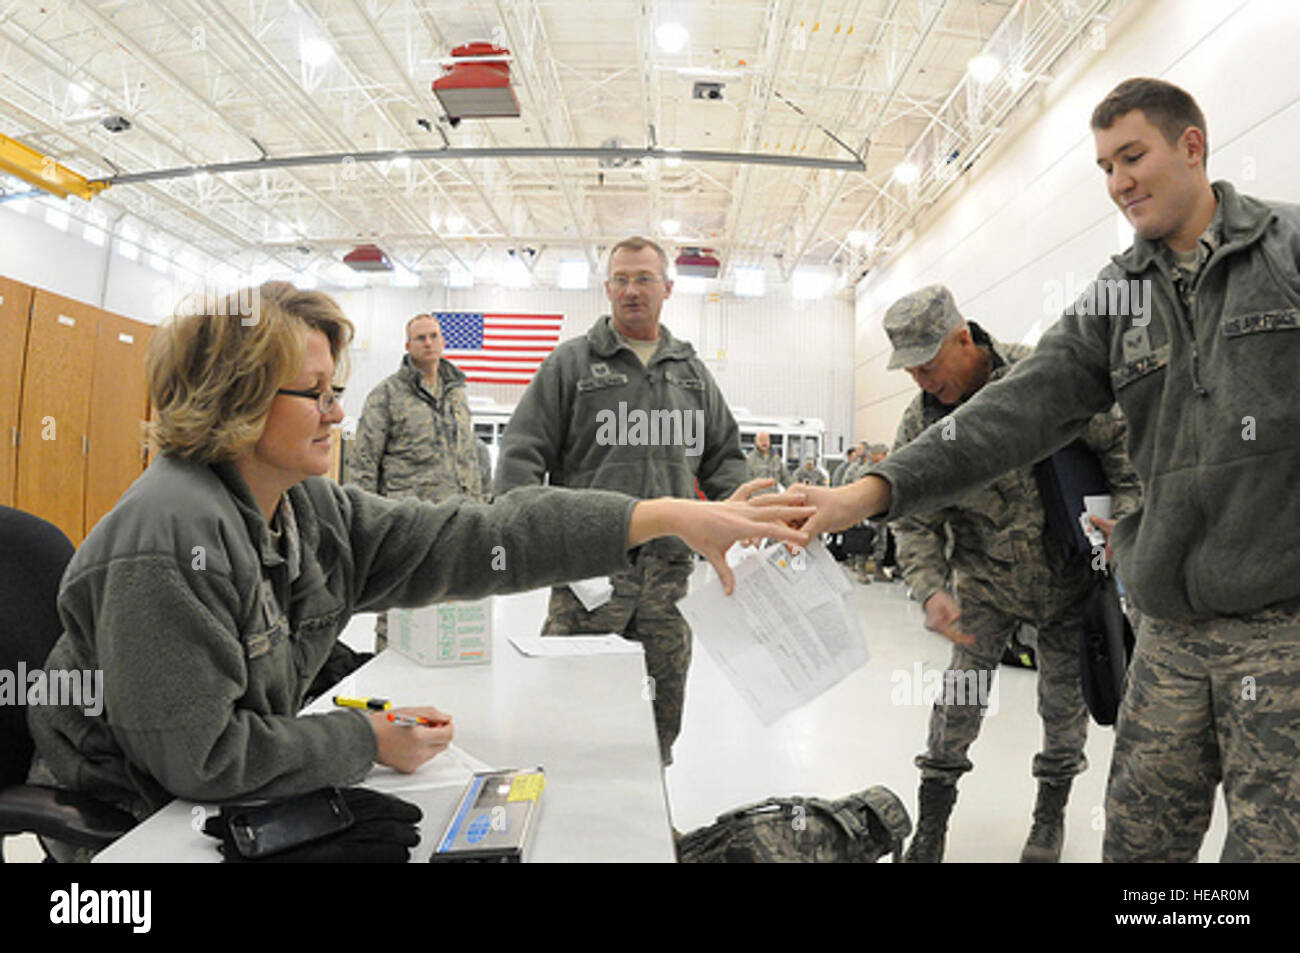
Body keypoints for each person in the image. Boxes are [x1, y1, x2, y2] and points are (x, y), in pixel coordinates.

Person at [26, 282, 813, 860]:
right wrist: (360, 737)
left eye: (337, 390)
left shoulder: (309, 510)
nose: (337, 411)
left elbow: (476, 536)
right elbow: (201, 760)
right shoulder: (168, 538)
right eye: (316, 393)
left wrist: (664, 516)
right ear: (236, 401)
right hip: (138, 826)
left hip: (222, 796)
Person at [800, 77, 1300, 862]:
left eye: (1132, 156)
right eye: (1104, 165)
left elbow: (1112, 454)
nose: (1117, 182)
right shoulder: (1117, 298)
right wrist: (874, 489)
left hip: (1281, 631)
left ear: (1193, 145)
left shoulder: (1287, 250)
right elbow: (1014, 412)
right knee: (1137, 853)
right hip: (1164, 629)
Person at [877, 284, 1139, 863]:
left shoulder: (1040, 376)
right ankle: (932, 823)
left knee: (1064, 709)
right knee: (958, 703)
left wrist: (1126, 517)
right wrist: (930, 590)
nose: (922, 381)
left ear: (963, 338)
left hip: (1072, 576)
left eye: (929, 365)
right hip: (985, 586)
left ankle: (1049, 819)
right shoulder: (924, 423)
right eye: (911, 371)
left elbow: (1118, 441)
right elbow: (912, 517)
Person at [495, 236, 758, 764]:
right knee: (571, 707)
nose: (631, 290)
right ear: (607, 287)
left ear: (667, 288)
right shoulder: (571, 364)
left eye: (643, 279)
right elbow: (522, 452)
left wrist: (747, 511)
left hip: (668, 577)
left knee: (661, 712)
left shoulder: (690, 373)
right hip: (590, 572)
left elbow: (724, 457)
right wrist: (525, 533)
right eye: (620, 279)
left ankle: (649, 829)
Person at [348, 312, 486, 650]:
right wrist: (367, 526)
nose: (428, 343)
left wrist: (481, 510)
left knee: (452, 606)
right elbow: (364, 463)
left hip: (457, 521)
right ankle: (386, 674)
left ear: (443, 341)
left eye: (434, 336)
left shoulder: (457, 393)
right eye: (420, 338)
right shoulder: (386, 395)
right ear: (408, 345)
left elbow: (467, 453)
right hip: (408, 524)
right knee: (397, 609)